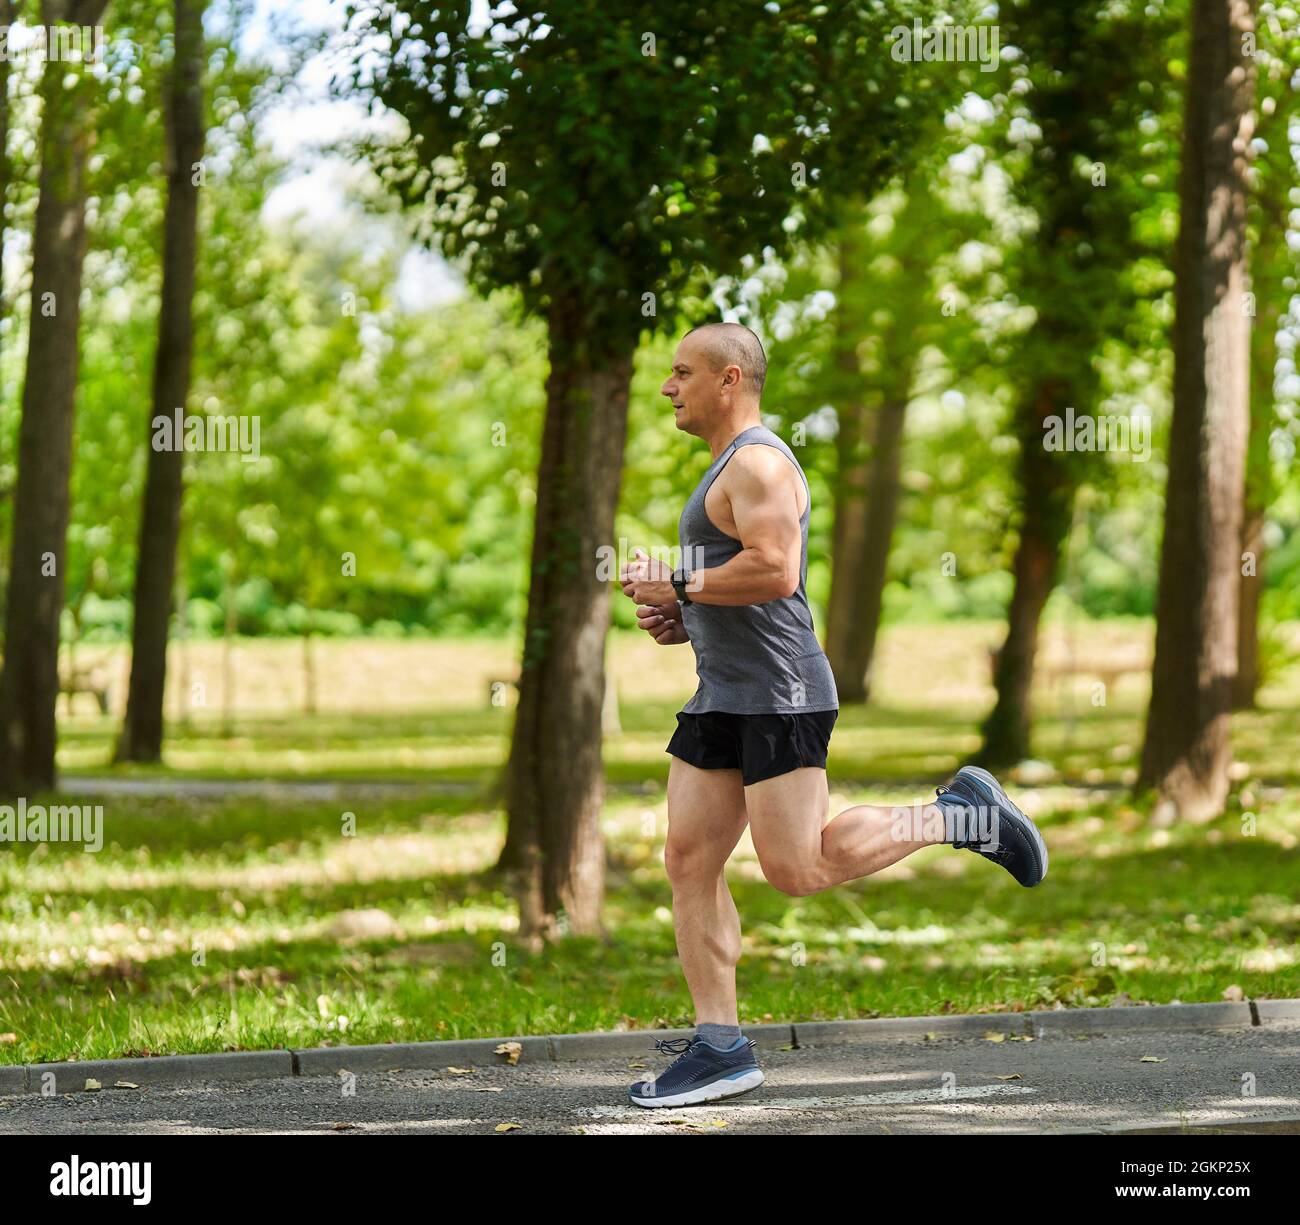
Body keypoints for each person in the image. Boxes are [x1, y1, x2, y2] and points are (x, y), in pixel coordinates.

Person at [616, 322, 1048, 1109]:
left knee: (797, 867)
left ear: (730, 380)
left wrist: (678, 581)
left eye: (683, 372)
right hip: (723, 695)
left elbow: (776, 570)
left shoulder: (759, 462)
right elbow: (739, 577)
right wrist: (690, 617)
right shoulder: (723, 469)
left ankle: (959, 815)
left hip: (782, 693)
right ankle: (720, 1047)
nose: (669, 387)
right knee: (688, 859)